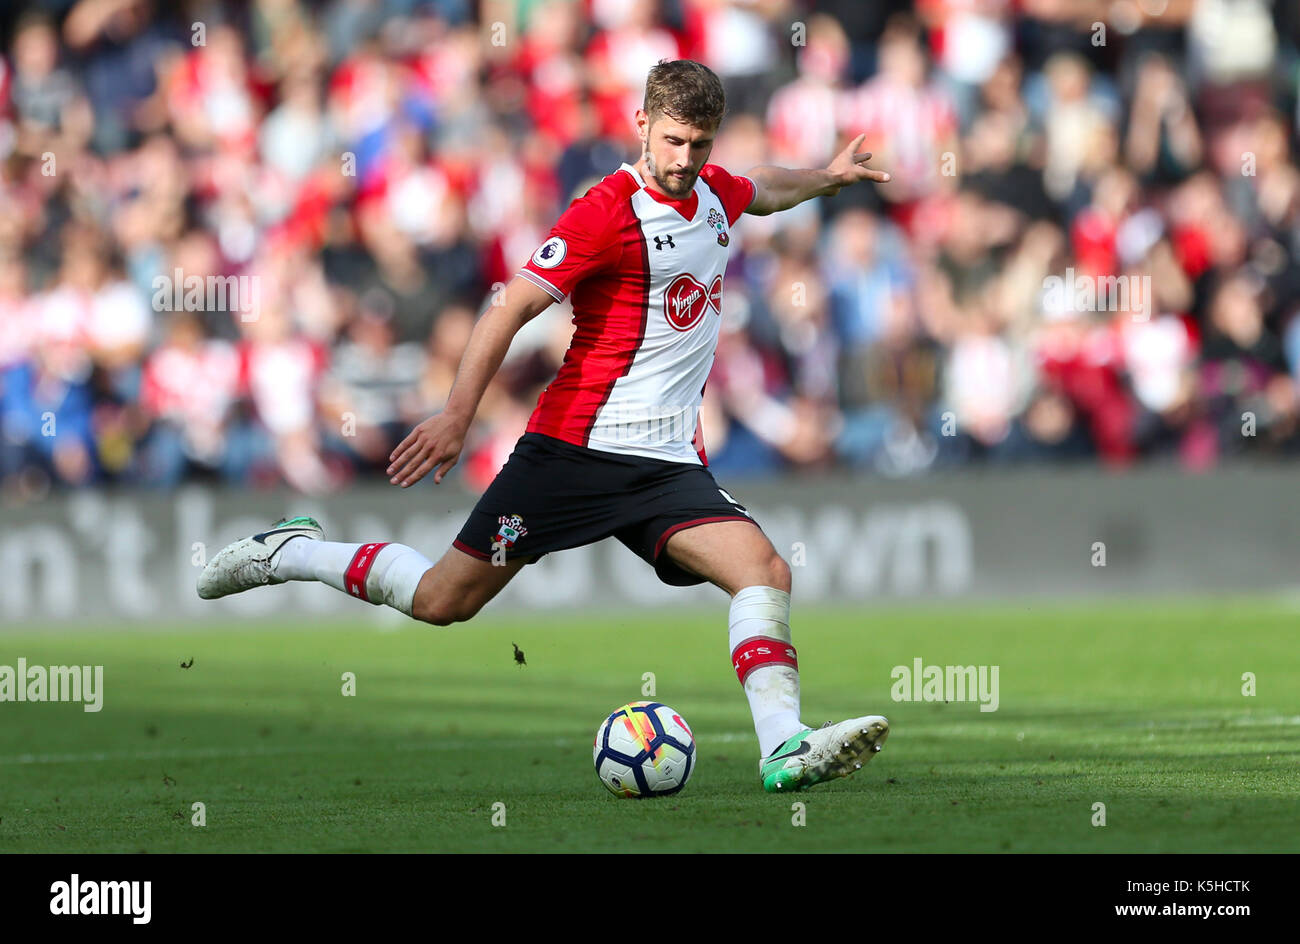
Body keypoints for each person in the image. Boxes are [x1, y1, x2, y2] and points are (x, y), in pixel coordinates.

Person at [199, 59, 892, 792]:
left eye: (701, 144)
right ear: (642, 125)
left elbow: (764, 189)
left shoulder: (716, 189)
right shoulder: (603, 213)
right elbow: (509, 306)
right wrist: (458, 414)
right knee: (442, 601)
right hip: (575, 452)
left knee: (763, 570)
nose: (686, 160)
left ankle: (784, 745)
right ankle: (295, 551)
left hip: (666, 463)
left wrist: (826, 175)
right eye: (674, 141)